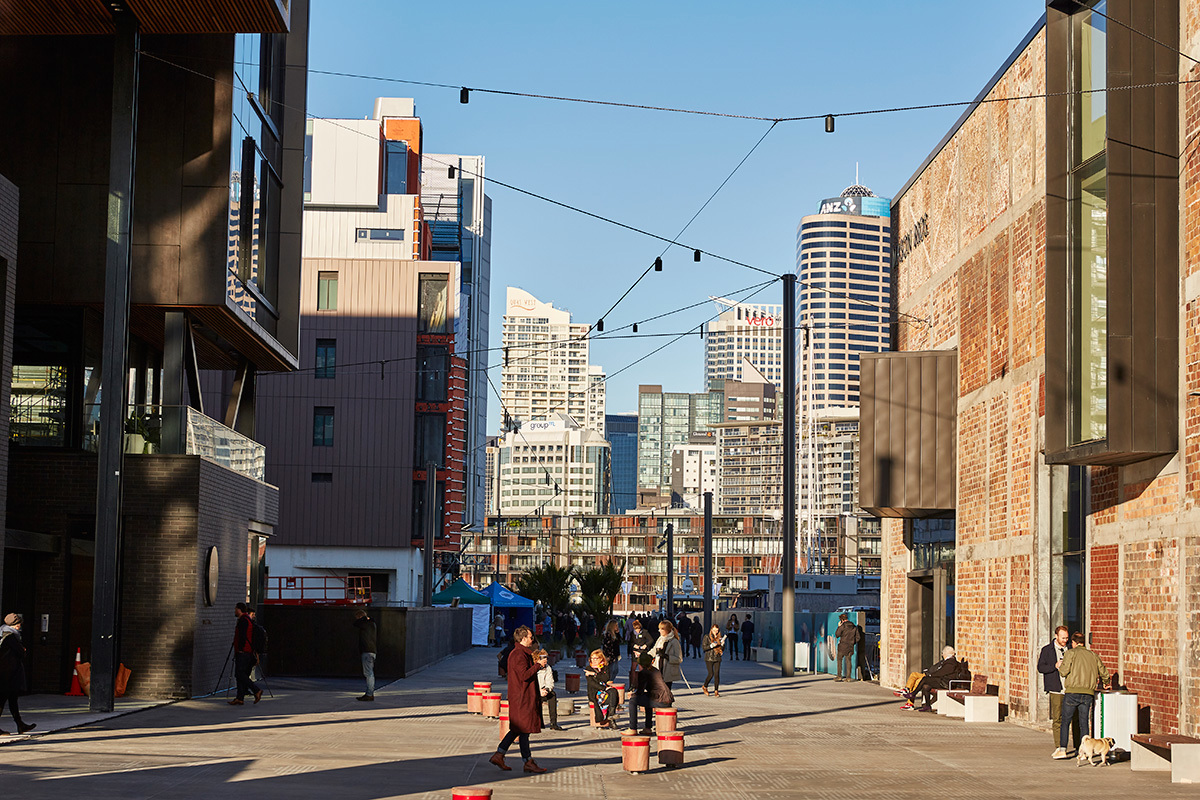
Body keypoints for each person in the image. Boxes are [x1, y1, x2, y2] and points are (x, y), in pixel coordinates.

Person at [489, 626, 548, 774]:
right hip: (522, 698)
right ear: (522, 639)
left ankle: (501, 755)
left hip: (522, 697)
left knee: (520, 730)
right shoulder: (518, 654)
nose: (532, 639)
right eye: (530, 637)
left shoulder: (521, 653)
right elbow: (524, 675)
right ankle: (526, 761)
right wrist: (538, 666)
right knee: (522, 730)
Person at [1055, 632, 1110, 760]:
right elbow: (1104, 672)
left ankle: (1063, 749)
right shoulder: (1093, 655)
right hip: (1088, 693)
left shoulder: (1070, 653)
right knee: (1084, 722)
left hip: (1072, 692)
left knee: (1065, 721)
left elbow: (1063, 672)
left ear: (1074, 643)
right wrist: (1106, 683)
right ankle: (1085, 751)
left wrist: (1059, 666)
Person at [1038, 625, 1078, 757]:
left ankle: (1078, 746)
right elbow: (1041, 667)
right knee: (1058, 718)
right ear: (1056, 636)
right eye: (1063, 638)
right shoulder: (1047, 650)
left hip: (1070, 688)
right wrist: (1054, 666)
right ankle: (1060, 747)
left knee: (1074, 718)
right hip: (1056, 688)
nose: (1065, 640)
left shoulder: (1071, 649)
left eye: (1067, 638)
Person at [622, 653, 674, 736]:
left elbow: (640, 691)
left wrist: (633, 694)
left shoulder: (644, 672)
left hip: (660, 700)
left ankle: (632, 728)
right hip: (666, 698)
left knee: (632, 701)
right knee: (647, 698)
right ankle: (647, 727)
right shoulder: (655, 670)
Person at [0, 613, 35, 734]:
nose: (20, 626)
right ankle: (20, 725)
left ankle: (20, 725)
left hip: (7, 674)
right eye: (18, 624)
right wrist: (22, 649)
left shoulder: (3, 634)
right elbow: (20, 652)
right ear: (14, 625)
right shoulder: (10, 637)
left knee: (12, 700)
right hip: (8, 674)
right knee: (4, 700)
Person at [900, 646, 963, 711]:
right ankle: (927, 706)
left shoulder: (951, 662)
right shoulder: (949, 661)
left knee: (925, 679)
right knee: (926, 686)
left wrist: (931, 675)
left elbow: (942, 672)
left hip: (947, 683)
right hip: (945, 681)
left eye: (942, 654)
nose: (942, 655)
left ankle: (913, 694)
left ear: (945, 654)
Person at [229, 602, 262, 706]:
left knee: (239, 674)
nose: (234, 611)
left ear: (239, 610)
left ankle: (256, 690)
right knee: (241, 675)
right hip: (247, 651)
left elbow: (242, 636)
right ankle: (240, 698)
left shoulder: (243, 620)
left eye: (235, 609)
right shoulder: (248, 620)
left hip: (243, 652)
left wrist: (240, 649)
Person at [584, 649, 618, 728]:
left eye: (596, 658)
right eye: (592, 658)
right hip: (594, 691)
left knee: (613, 691)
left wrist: (594, 674)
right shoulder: (588, 668)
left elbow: (606, 678)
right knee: (608, 695)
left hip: (603, 689)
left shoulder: (605, 668)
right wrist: (603, 688)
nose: (594, 660)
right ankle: (611, 719)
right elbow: (592, 683)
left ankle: (611, 715)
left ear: (601, 659)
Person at [535, 648, 565, 731]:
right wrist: (539, 691)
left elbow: (550, 681)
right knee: (536, 700)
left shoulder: (548, 668)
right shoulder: (533, 668)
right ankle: (539, 723)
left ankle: (553, 723)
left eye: (546, 659)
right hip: (534, 691)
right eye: (544, 659)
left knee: (552, 695)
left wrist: (547, 690)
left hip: (544, 690)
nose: (546, 661)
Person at [649, 620, 683, 689]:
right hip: (657, 668)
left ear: (667, 630)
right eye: (659, 629)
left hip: (668, 670)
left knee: (666, 690)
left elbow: (679, 659)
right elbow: (653, 650)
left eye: (662, 629)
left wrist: (667, 656)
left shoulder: (674, 641)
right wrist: (645, 655)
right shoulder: (660, 639)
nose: (659, 631)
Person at [354, 608, 377, 701]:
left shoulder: (365, 624)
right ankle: (369, 693)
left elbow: (356, 624)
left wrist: (363, 619)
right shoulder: (372, 624)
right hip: (372, 650)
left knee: (368, 673)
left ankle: (369, 693)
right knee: (369, 672)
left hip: (367, 651)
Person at [835, 613, 860, 682]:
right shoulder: (854, 626)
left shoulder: (842, 626)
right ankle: (848, 677)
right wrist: (852, 642)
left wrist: (839, 627)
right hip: (850, 646)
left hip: (842, 646)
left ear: (842, 620)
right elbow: (858, 637)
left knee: (839, 660)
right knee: (848, 661)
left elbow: (837, 635)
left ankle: (839, 676)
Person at [702, 624, 725, 697]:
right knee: (710, 674)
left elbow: (722, 649)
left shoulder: (719, 638)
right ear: (711, 630)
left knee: (717, 674)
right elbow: (704, 648)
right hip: (709, 657)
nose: (716, 632)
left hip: (717, 657)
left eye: (717, 630)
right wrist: (711, 645)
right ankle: (705, 686)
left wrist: (722, 645)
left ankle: (716, 691)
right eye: (714, 630)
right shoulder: (707, 637)